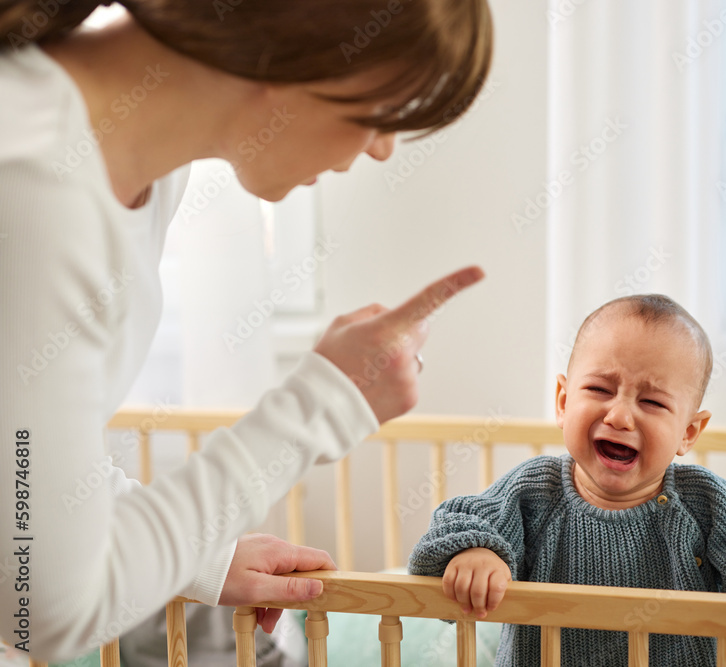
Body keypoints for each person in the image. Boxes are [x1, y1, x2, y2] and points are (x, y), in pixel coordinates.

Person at [0, 0, 492, 661]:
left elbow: (26, 472)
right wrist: (322, 403)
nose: (382, 149)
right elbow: (40, 605)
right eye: (384, 114)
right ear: (300, 42)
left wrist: (201, 553)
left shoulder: (132, 169)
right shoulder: (34, 181)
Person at [408, 294, 726, 666]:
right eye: (599, 389)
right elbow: (460, 523)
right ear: (563, 401)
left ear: (688, 433)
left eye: (652, 401)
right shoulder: (531, 493)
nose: (618, 415)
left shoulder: (702, 502)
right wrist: (476, 552)